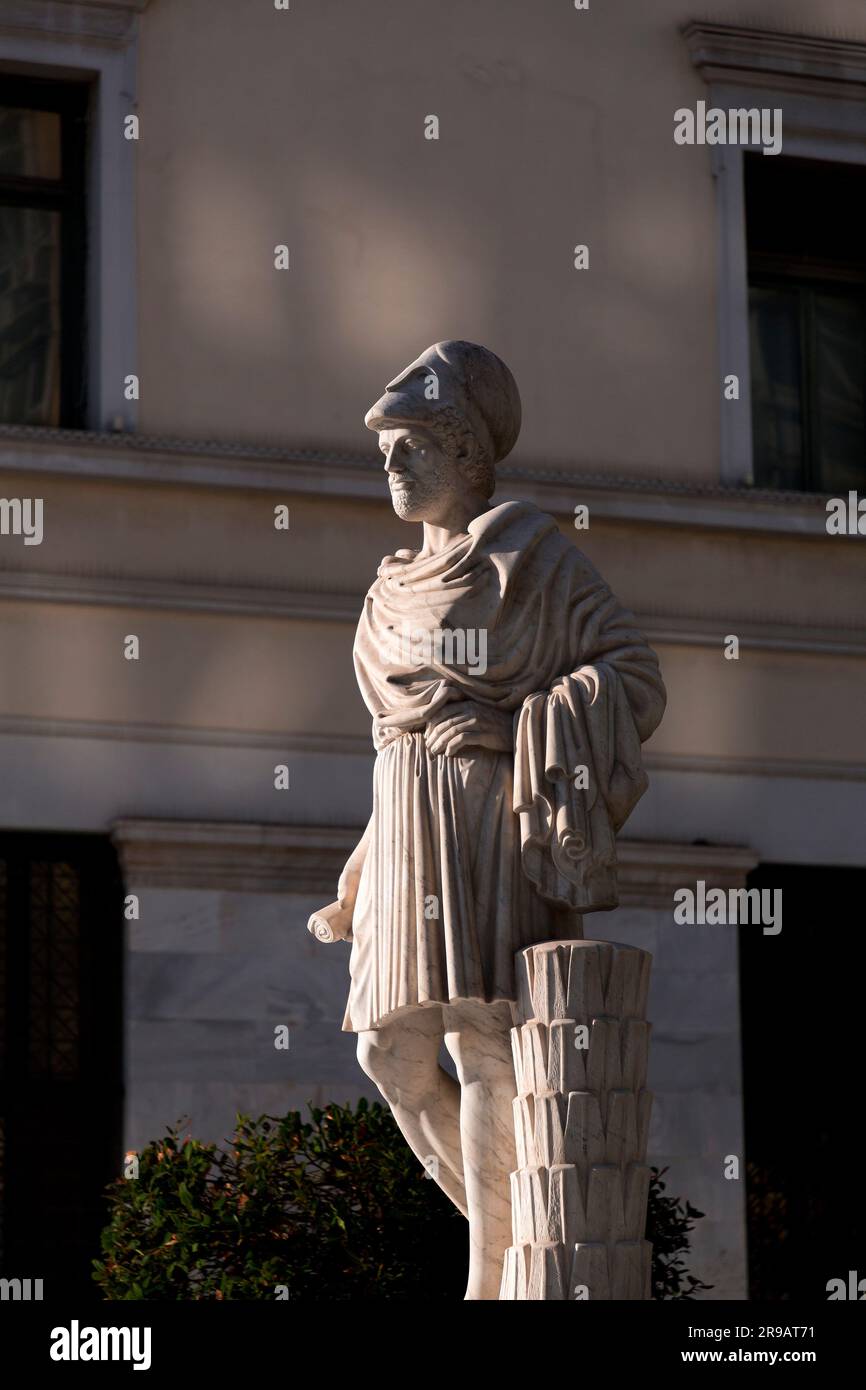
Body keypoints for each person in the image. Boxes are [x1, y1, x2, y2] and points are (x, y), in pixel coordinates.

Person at [327, 340, 665, 1300]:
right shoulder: (386, 590)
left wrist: (522, 722)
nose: (392, 470)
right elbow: (390, 746)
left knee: (483, 1039)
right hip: (405, 824)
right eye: (385, 452)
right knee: (386, 1050)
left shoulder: (531, 554)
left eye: (414, 450)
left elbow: (632, 678)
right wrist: (360, 872)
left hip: (487, 812)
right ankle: (526, 1228)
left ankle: (492, 1282)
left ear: (471, 455)